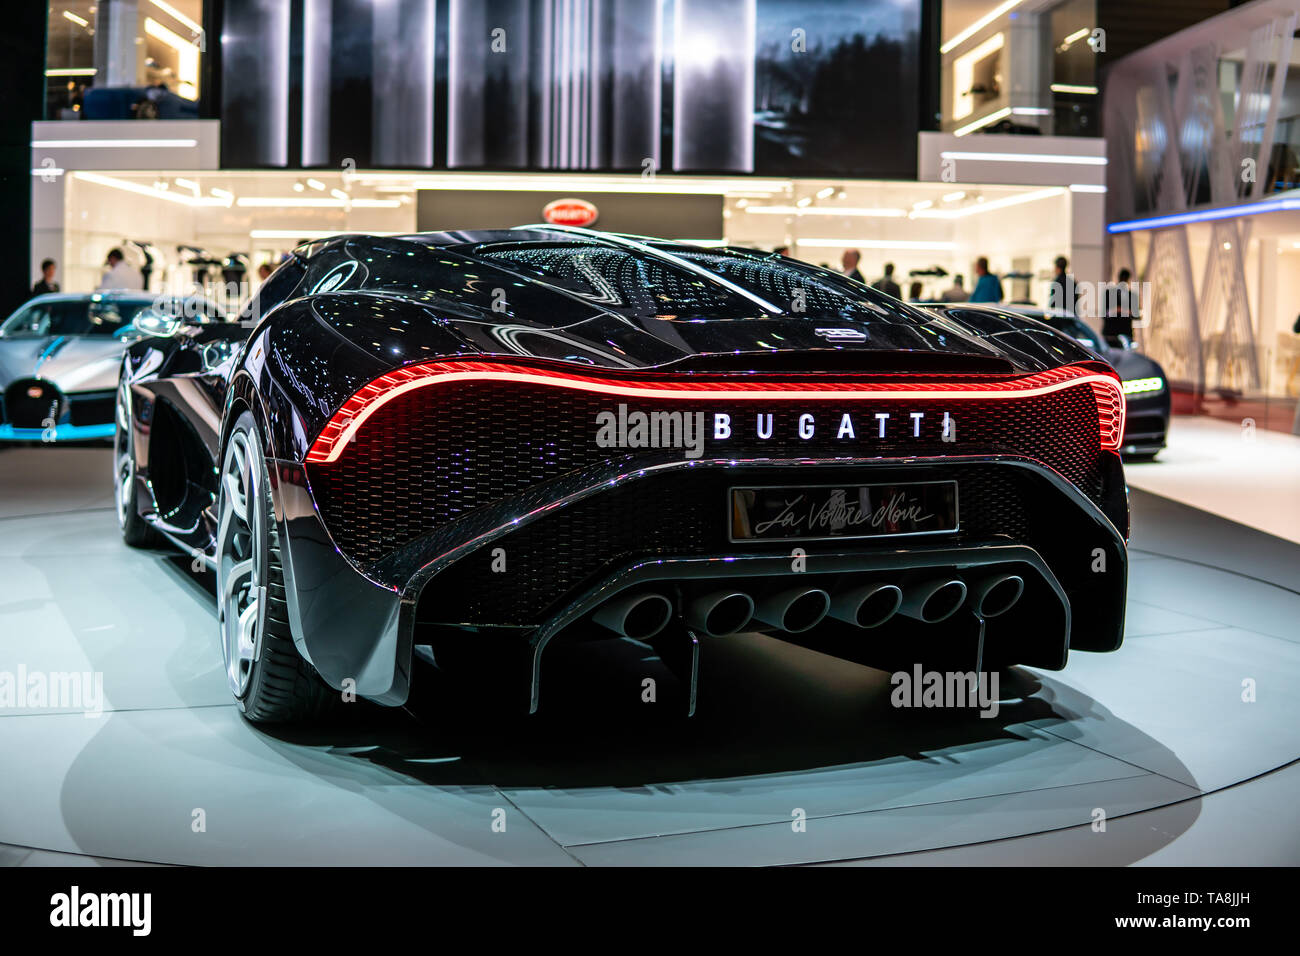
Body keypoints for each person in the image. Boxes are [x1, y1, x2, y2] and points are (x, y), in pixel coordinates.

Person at [1102, 268, 1141, 343]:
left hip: (1125, 333)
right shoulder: (1109, 294)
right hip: (1111, 334)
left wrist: (1124, 311)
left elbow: (1136, 315)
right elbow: (1104, 314)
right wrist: (1115, 310)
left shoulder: (1132, 296)